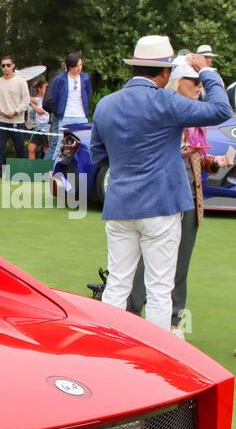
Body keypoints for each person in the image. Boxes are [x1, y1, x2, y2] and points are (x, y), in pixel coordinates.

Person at [90, 36, 231, 332]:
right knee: (159, 289)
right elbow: (221, 110)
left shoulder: (106, 104)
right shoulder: (167, 102)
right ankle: (156, 357)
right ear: (165, 72)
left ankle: (108, 349)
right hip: (160, 206)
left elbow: (98, 155)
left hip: (119, 205)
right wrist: (206, 71)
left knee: (117, 285)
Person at [125, 57, 234, 332]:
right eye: (193, 81)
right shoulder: (164, 106)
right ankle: (131, 317)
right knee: (142, 260)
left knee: (181, 260)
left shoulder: (191, 114)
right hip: (160, 193)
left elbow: (197, 151)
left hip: (188, 190)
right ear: (176, 82)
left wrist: (212, 162)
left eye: (200, 82)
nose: (199, 87)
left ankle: (173, 323)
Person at [47, 52, 92, 162]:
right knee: (61, 147)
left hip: (82, 117)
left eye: (80, 65)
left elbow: (88, 95)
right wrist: (59, 112)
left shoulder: (85, 78)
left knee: (82, 147)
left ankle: (76, 173)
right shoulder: (60, 79)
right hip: (66, 116)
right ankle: (53, 173)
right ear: (69, 66)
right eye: (76, 66)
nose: (79, 68)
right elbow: (54, 98)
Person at [0, 55, 30, 177]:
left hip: (17, 121)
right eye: (3, 65)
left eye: (8, 65)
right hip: (1, 120)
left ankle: (25, 173)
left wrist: (16, 111)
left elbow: (26, 100)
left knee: (20, 149)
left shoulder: (21, 81)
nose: (6, 68)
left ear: (13, 65)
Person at [26, 77, 50, 158]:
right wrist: (26, 86)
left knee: (46, 150)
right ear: (39, 89)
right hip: (38, 129)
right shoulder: (38, 99)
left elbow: (40, 111)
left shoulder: (48, 100)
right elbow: (27, 98)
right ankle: (30, 169)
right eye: (45, 87)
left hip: (47, 130)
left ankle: (49, 169)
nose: (47, 89)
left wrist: (30, 103)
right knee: (31, 148)